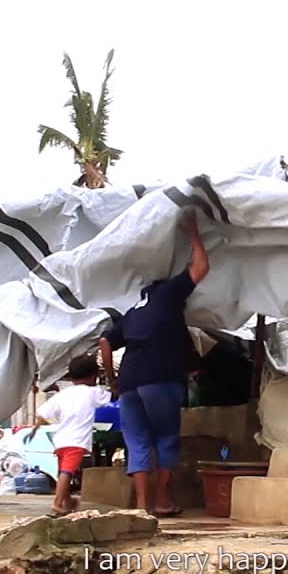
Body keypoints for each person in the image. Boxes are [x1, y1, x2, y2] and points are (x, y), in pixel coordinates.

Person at [100, 211, 210, 516]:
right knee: (166, 437)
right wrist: (192, 232)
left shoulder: (133, 310)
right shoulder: (169, 293)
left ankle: (141, 507)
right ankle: (162, 500)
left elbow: (105, 342)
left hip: (130, 381)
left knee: (137, 442)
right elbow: (201, 266)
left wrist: (113, 381)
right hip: (161, 377)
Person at [26, 355, 112, 518]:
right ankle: (58, 504)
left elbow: (43, 414)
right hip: (77, 441)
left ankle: (67, 501)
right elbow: (112, 397)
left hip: (60, 441)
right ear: (94, 376)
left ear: (71, 376)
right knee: (67, 473)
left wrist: (34, 430)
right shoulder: (93, 392)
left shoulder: (63, 394)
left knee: (62, 472)